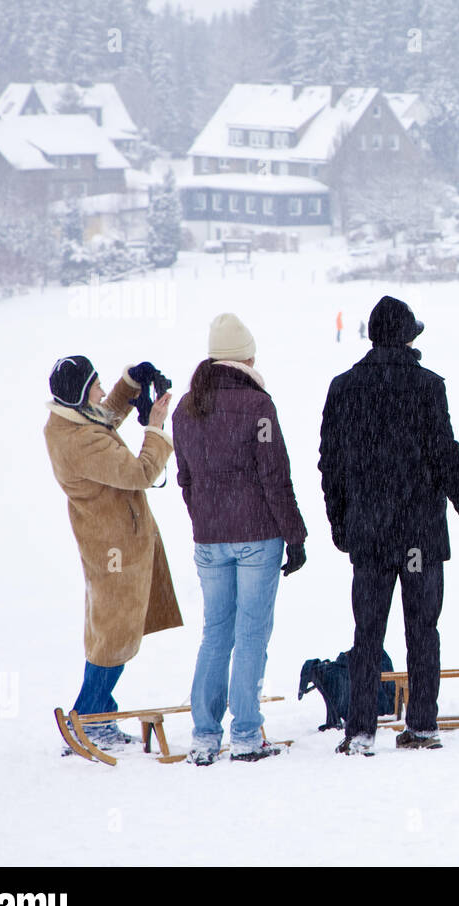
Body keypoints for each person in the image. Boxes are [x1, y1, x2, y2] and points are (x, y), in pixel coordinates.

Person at [319, 295, 459, 755]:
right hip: (420, 536)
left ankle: (360, 732)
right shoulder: (427, 386)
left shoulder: (344, 387)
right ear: (408, 336)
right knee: (423, 630)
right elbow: (446, 457)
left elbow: (330, 465)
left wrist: (340, 522)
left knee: (367, 633)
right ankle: (423, 725)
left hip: (369, 535)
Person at [172, 313, 308, 764]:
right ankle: (247, 736)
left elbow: (185, 479)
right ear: (246, 358)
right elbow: (276, 477)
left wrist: (205, 523)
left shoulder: (185, 409)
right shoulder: (258, 407)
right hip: (257, 536)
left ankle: (204, 737)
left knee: (215, 634)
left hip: (210, 540)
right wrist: (295, 535)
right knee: (251, 634)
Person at [44, 356, 181, 750]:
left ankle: (99, 713)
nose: (103, 392)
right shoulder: (80, 441)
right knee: (114, 637)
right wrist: (155, 428)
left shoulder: (70, 422)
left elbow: (103, 416)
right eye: (97, 385)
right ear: (80, 392)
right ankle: (87, 717)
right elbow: (140, 472)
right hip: (114, 548)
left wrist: (130, 385)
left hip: (111, 542)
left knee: (111, 632)